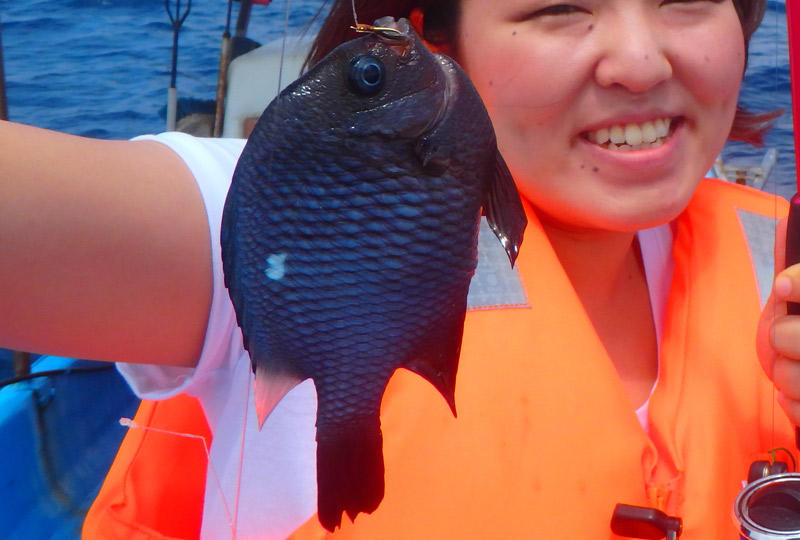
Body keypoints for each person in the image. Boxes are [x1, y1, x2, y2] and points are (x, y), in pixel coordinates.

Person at [0, 0, 798, 537]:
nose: (639, 61)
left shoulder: (779, 262)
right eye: (558, 7)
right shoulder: (283, 214)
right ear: (440, 38)